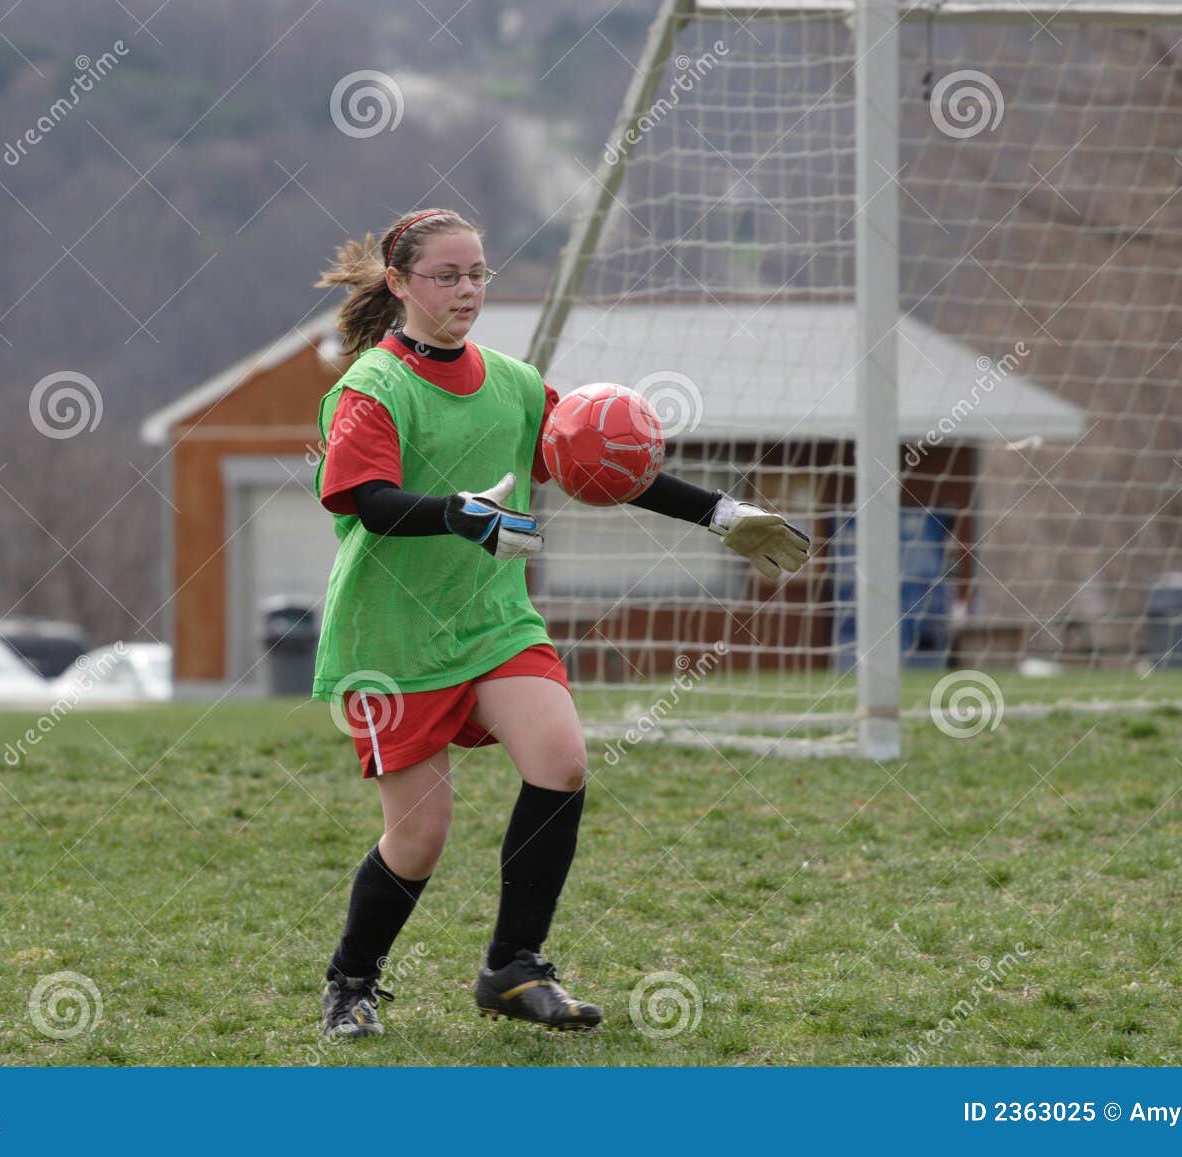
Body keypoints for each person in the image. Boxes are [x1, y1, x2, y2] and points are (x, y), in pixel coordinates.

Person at [309, 207, 809, 1040]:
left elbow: (599, 463)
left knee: (562, 760)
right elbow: (366, 500)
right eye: (446, 276)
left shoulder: (512, 382)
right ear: (398, 282)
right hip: (391, 637)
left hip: (494, 621)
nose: (467, 290)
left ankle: (514, 965)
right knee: (420, 837)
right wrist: (460, 512)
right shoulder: (372, 386)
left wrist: (721, 513)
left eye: (477, 274)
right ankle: (350, 982)